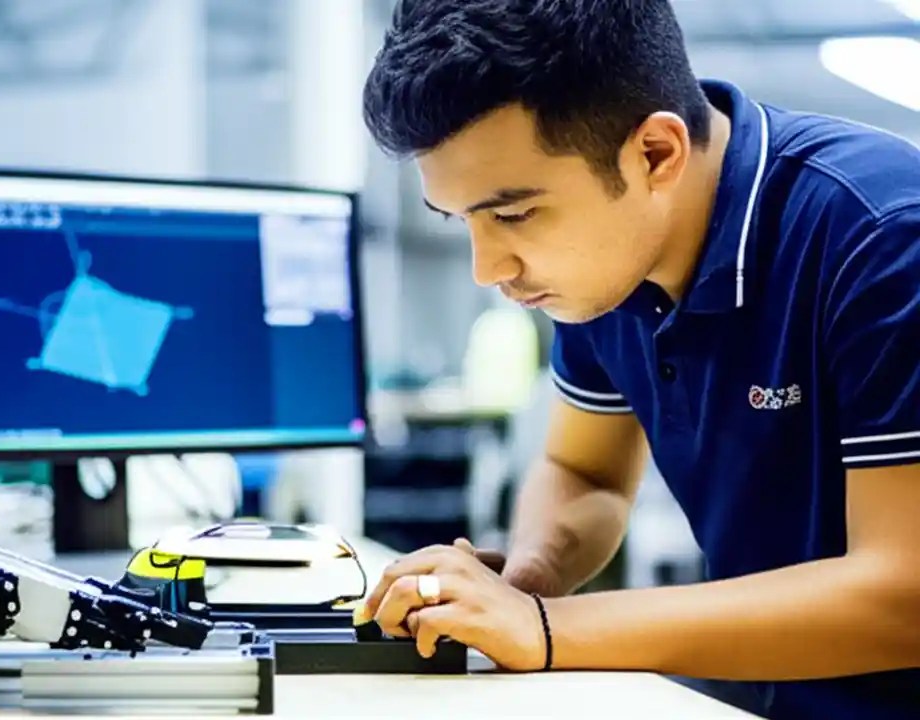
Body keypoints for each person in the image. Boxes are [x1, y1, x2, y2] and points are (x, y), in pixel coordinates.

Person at [358, 2, 920, 719]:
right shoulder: (609, 263)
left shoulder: (883, 237)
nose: (488, 267)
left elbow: (905, 594)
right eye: (461, 219)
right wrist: (524, 583)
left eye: (514, 214)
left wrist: (549, 629)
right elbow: (583, 473)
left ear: (655, 154)